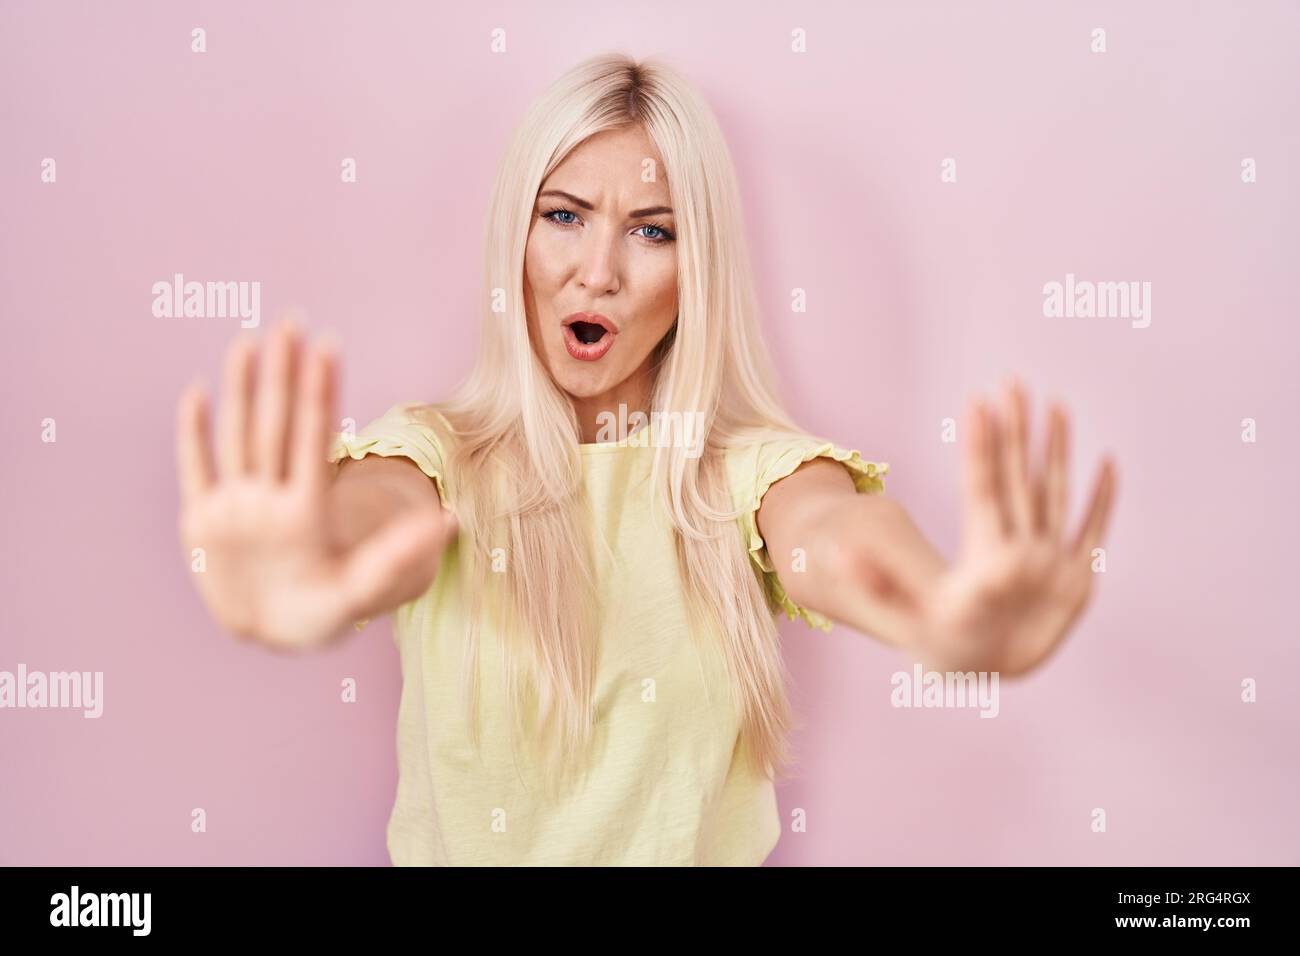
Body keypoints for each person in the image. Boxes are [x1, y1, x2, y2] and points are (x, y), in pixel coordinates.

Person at [173, 53, 1116, 866]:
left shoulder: (743, 476)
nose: (600, 272)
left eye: (652, 230)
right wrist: (313, 558)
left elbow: (831, 536)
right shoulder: (437, 458)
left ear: (696, 267)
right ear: (517, 237)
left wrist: (937, 616)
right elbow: (379, 517)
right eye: (565, 216)